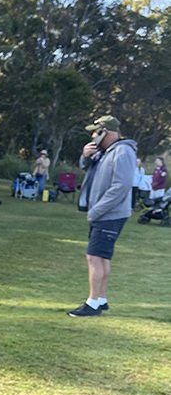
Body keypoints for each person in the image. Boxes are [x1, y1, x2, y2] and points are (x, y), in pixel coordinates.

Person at [68, 116, 137, 317]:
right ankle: (101, 299)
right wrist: (85, 156)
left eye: (95, 132)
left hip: (110, 214)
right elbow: (87, 168)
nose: (92, 135)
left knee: (94, 257)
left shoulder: (123, 151)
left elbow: (121, 186)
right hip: (105, 213)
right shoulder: (105, 151)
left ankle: (92, 304)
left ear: (105, 131)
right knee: (102, 257)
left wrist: (96, 210)